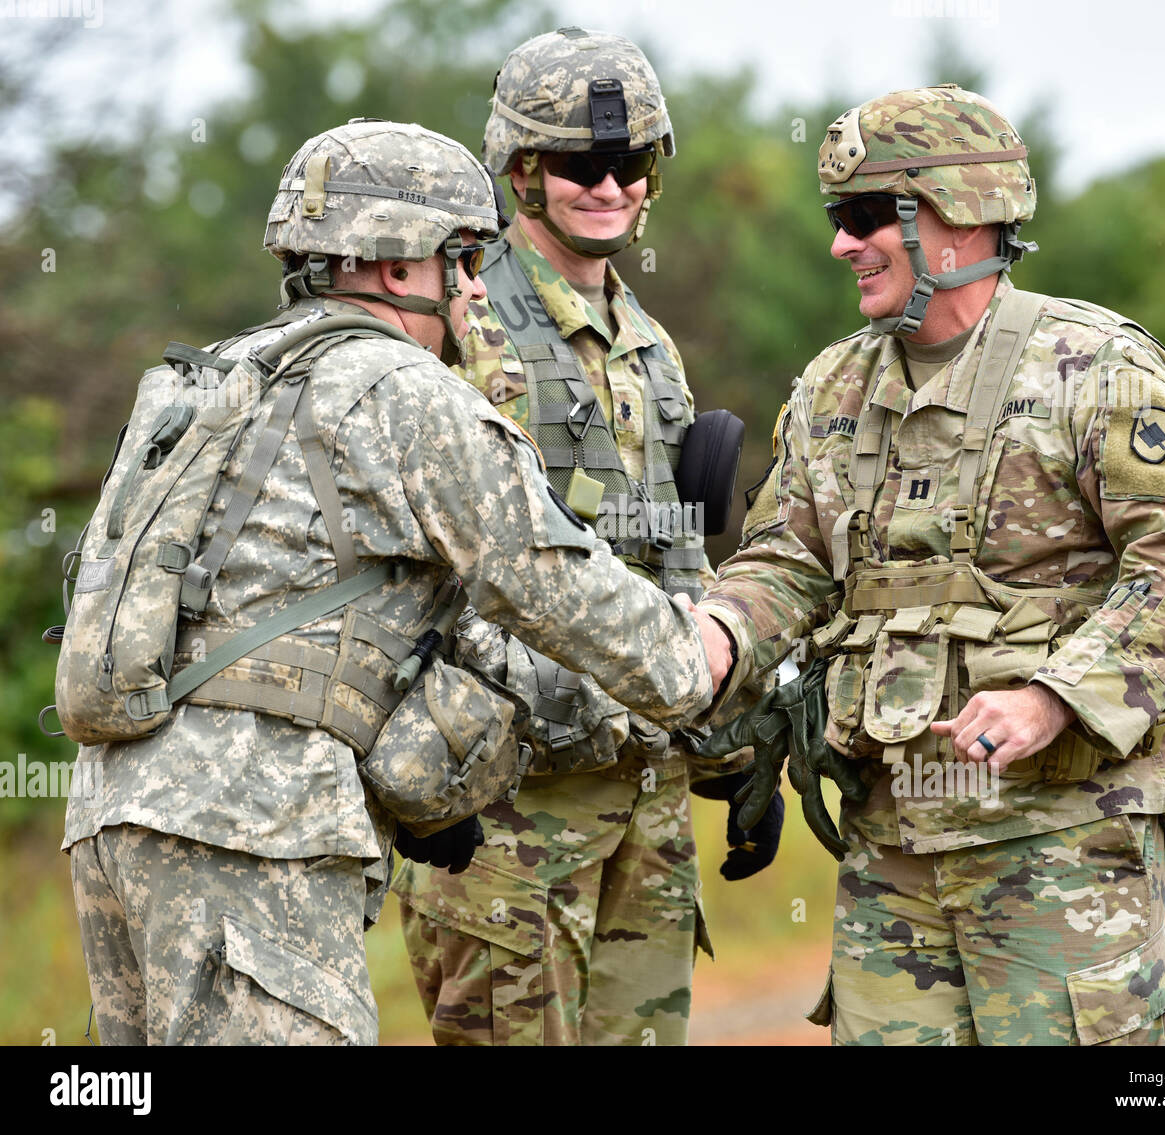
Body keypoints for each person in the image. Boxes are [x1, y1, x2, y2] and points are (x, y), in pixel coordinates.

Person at [58, 119, 721, 1046]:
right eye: (467, 259)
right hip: (259, 829)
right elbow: (551, 586)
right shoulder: (402, 390)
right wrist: (707, 658)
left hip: (112, 820)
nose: (479, 289)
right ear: (404, 265)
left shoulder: (211, 378)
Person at [691, 85, 1165, 1046]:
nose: (841, 246)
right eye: (837, 219)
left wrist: (1051, 698)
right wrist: (715, 635)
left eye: (867, 217)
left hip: (1056, 837)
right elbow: (786, 558)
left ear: (955, 220)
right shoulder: (831, 388)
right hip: (889, 844)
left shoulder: (1093, 367)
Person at [393, 27, 779, 1047]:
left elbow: (681, 560)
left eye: (632, 164)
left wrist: (728, 744)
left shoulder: (647, 343)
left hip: (639, 793)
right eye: (578, 164)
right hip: (505, 806)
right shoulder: (454, 317)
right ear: (519, 169)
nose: (610, 187)